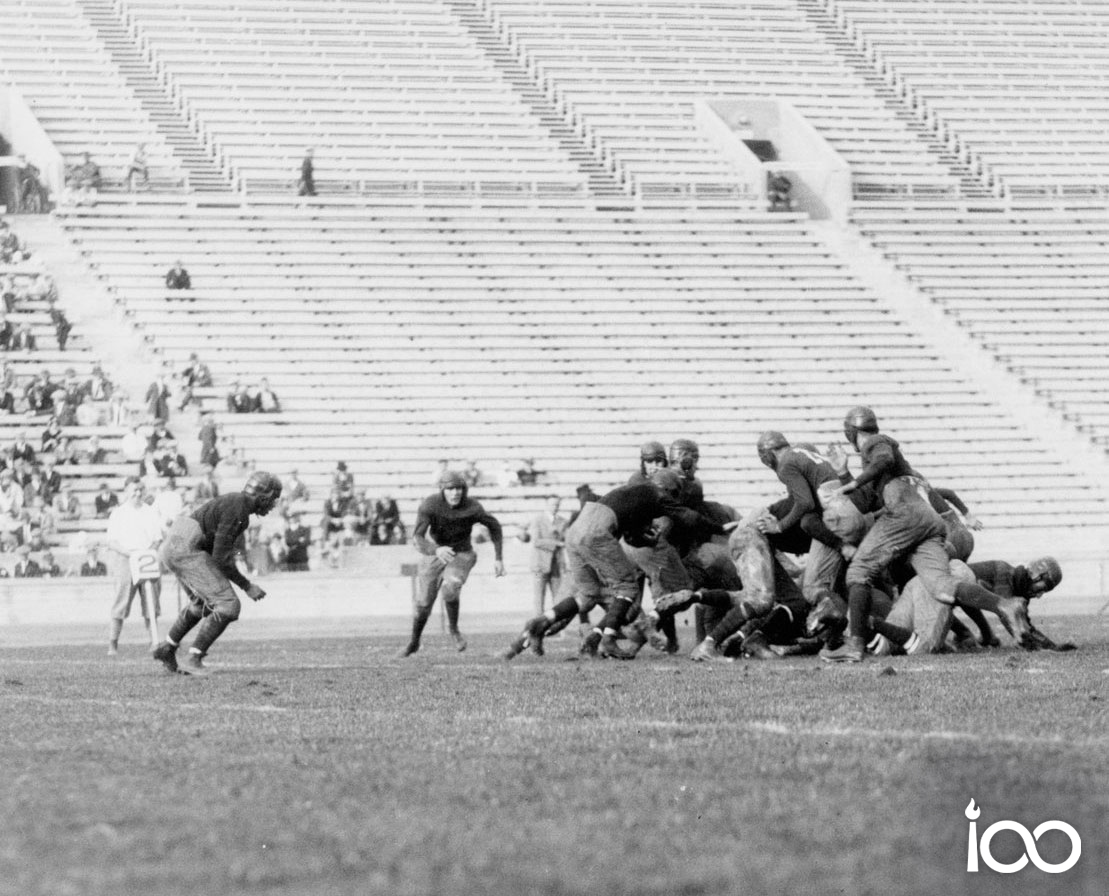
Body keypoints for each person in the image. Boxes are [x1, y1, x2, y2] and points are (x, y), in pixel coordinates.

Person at [820, 406, 1031, 662]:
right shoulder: (892, 465)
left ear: (850, 432)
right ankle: (1004, 605)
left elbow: (883, 459)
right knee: (941, 585)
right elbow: (865, 502)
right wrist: (843, 472)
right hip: (930, 520)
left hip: (905, 512)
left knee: (858, 572)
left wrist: (853, 482)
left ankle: (854, 645)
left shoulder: (875, 442)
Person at [504, 469, 737, 661]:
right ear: (666, 488)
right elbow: (689, 516)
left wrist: (648, 538)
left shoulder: (632, 495)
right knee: (627, 589)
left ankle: (539, 623)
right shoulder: (656, 494)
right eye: (673, 494)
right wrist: (719, 528)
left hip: (576, 532)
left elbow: (631, 536)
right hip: (596, 532)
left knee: (588, 594)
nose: (672, 500)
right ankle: (608, 639)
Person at [152, 471, 282, 676]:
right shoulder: (238, 508)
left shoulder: (235, 503)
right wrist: (247, 585)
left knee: (201, 604)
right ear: (262, 495)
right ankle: (193, 659)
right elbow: (220, 558)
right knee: (228, 605)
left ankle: (167, 648)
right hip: (186, 547)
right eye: (272, 499)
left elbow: (217, 552)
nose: (272, 504)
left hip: (174, 545)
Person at [402, 471, 505, 657]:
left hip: (462, 554)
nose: (455, 493)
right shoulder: (430, 505)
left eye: (459, 488)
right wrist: (435, 550)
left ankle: (454, 629)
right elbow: (417, 536)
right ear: (442, 489)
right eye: (450, 488)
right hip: (436, 553)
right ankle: (414, 641)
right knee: (424, 602)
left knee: (451, 586)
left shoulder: (472, 507)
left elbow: (495, 526)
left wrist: (498, 558)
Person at [106, 480, 165, 655]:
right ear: (126, 491)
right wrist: (130, 554)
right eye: (134, 490)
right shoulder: (118, 513)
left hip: (147, 559)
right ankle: (113, 645)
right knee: (121, 601)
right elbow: (112, 541)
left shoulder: (150, 512)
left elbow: (157, 539)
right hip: (126, 559)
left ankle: (154, 642)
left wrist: (147, 553)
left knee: (151, 603)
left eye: (140, 489)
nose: (138, 493)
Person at [522, 494, 567, 615]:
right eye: (553, 504)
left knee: (558, 598)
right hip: (540, 564)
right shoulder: (538, 519)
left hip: (556, 564)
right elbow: (536, 541)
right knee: (539, 598)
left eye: (557, 504)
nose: (555, 507)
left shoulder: (563, 521)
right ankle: (537, 628)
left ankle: (559, 628)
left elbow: (566, 540)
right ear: (546, 505)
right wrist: (556, 543)